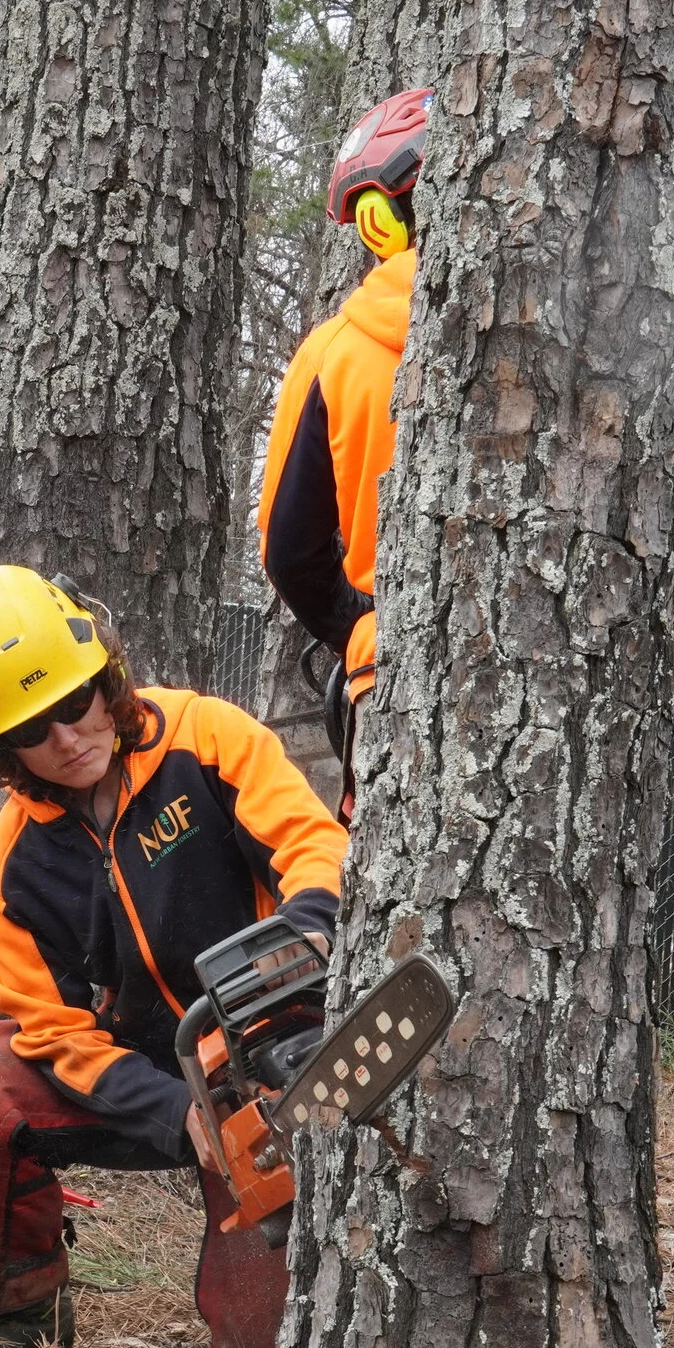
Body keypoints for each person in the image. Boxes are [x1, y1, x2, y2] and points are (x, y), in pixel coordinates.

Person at [0, 566, 348, 1348]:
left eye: (75, 704)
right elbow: (49, 1026)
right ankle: (17, 1313)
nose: (68, 736)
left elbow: (310, 839)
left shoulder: (204, 737)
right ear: (0, 749)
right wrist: (174, 1109)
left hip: (273, 1044)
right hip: (148, 1075)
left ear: (104, 678)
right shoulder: (8, 869)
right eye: (34, 728)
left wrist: (311, 925)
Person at [255, 85, 434, 820]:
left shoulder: (336, 353)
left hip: (387, 672)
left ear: (377, 219)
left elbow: (288, 548)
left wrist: (362, 621)